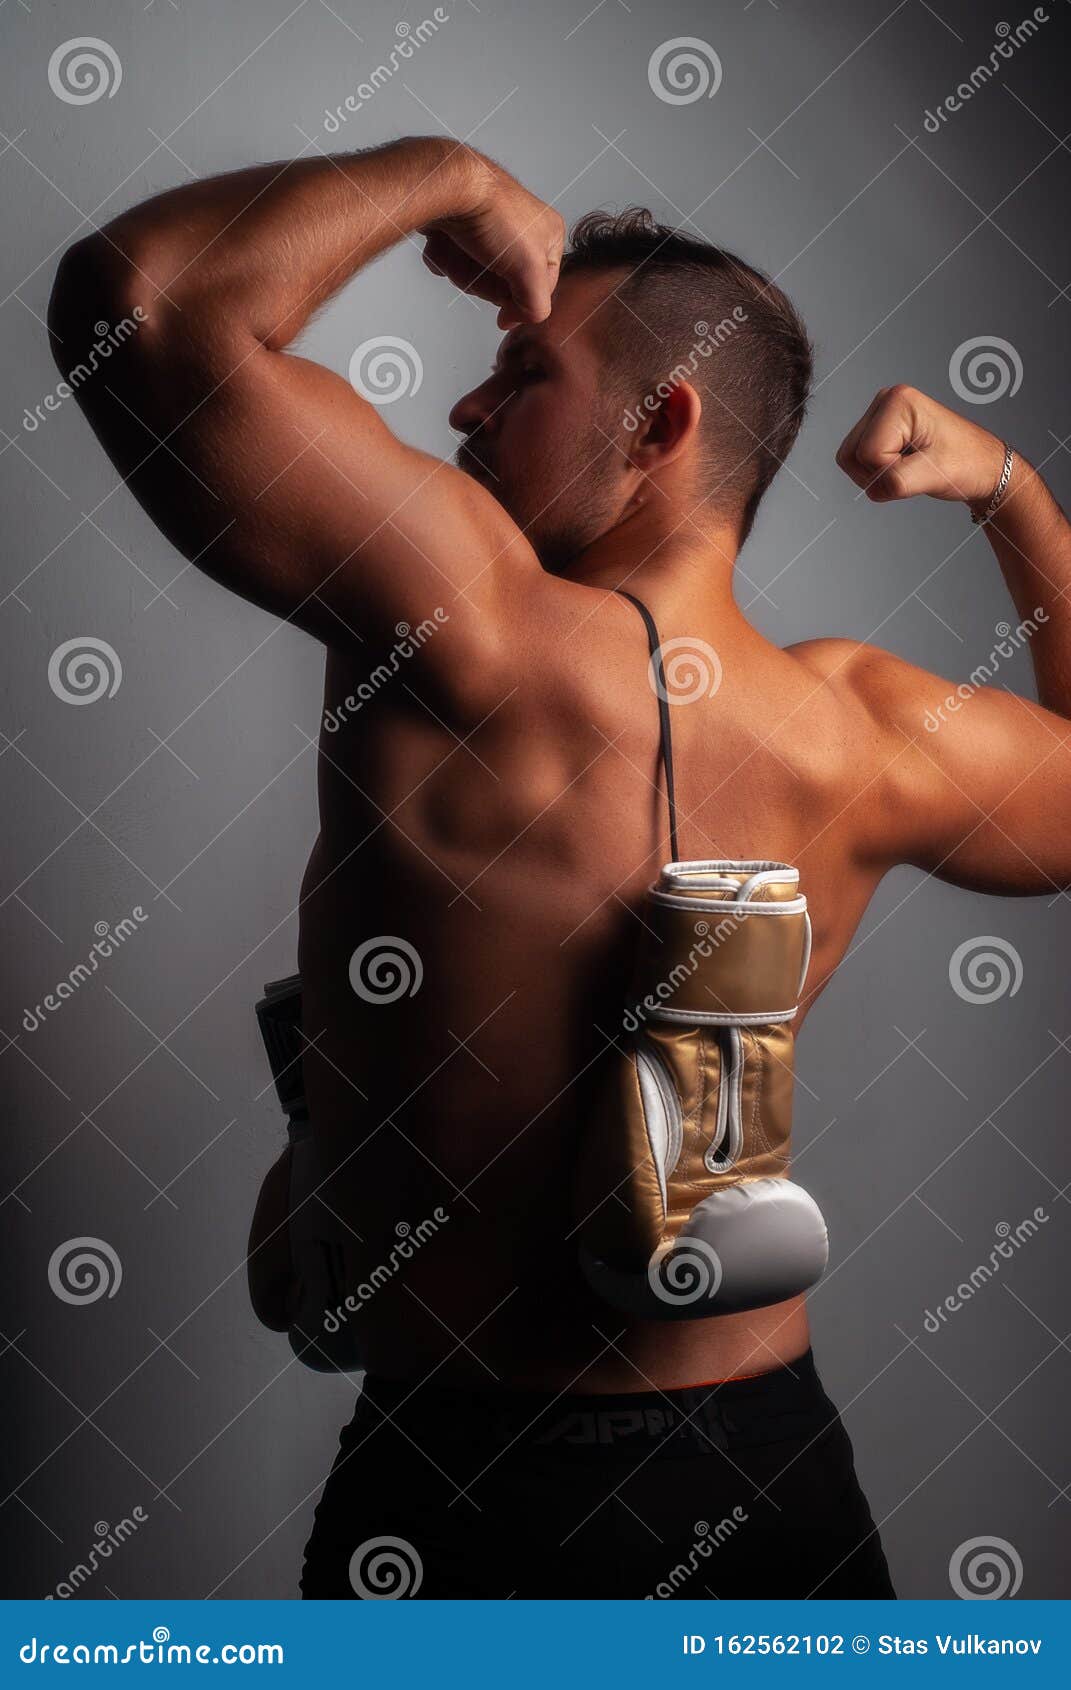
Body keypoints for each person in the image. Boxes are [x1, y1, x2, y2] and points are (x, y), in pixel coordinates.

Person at [48, 135, 1071, 1599]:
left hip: (469, 1493)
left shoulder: (465, 620)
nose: (465, 405)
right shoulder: (869, 728)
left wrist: (447, 174)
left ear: (661, 423)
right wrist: (1009, 490)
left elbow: (138, 309)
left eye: (525, 374)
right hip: (768, 1475)